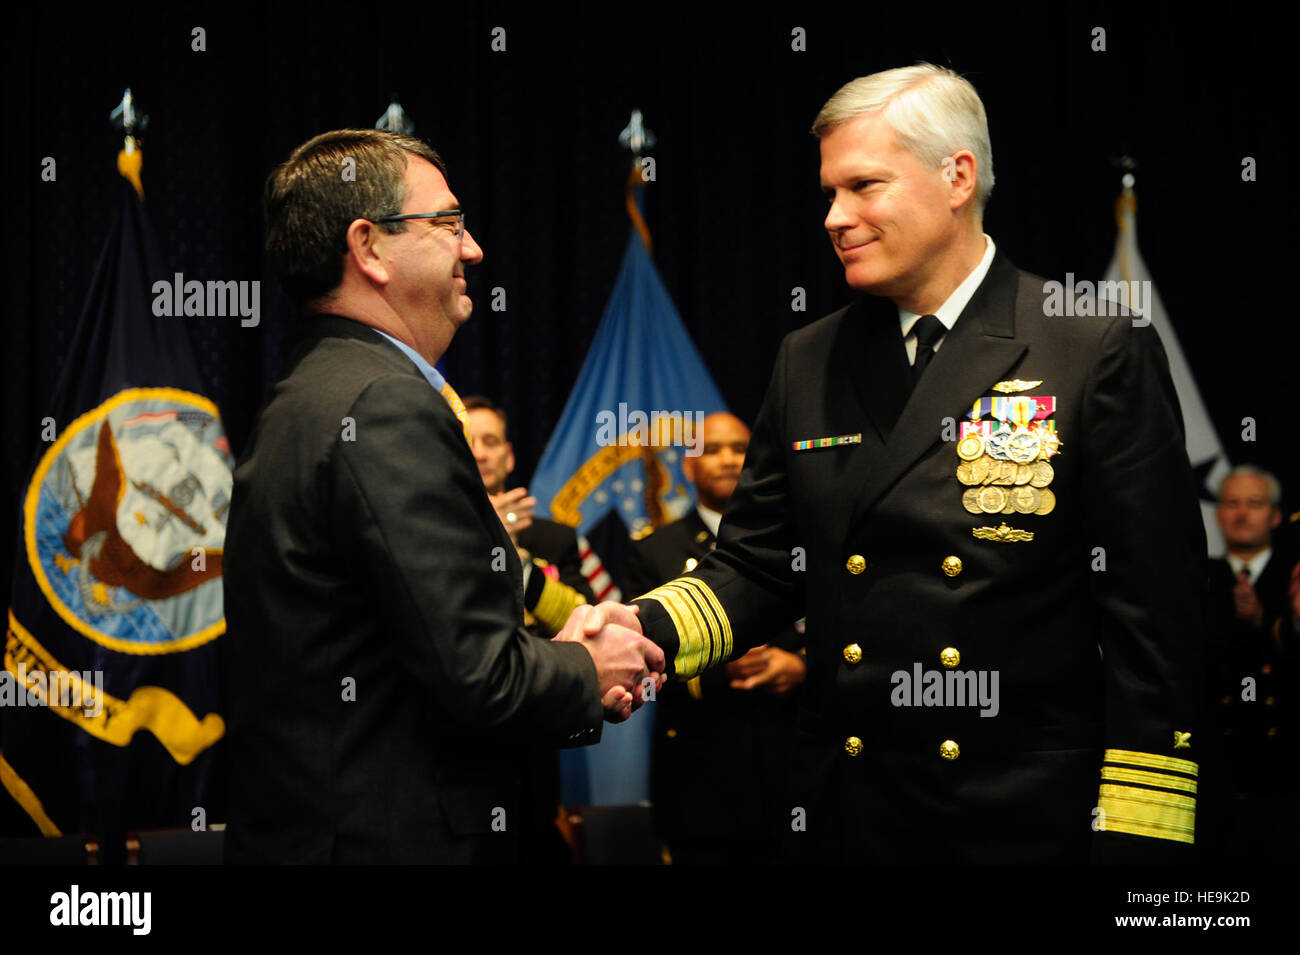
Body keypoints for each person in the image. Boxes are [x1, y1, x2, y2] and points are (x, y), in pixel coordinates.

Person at [625, 64, 1206, 863]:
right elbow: (758, 564)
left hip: (1023, 814)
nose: (835, 216)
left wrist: (1145, 835)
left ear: (956, 176)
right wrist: (638, 629)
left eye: (863, 186)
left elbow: (1158, 613)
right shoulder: (810, 356)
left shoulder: (1089, 342)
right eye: (829, 192)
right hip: (850, 809)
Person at [221, 129, 661, 863]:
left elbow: (413, 651)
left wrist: (559, 644)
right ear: (369, 248)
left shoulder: (315, 389)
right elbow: (480, 678)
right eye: (449, 224)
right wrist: (592, 666)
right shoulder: (385, 405)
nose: (474, 248)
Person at [625, 412, 813, 864]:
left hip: (796, 767)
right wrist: (716, 671)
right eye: (711, 450)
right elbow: (640, 666)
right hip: (701, 774)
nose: (728, 460)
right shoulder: (656, 549)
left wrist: (802, 666)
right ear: (687, 467)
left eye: (739, 449)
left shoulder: (806, 540)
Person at [1200, 465, 1295, 862]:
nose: (1241, 514)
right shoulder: (1196, 580)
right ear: (1217, 514)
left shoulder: (1292, 579)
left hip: (1287, 775)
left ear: (1274, 515)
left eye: (1254, 504)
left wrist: (1267, 623)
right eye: (1232, 503)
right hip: (1215, 772)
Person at [464, 396, 594, 635]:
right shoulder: (433, 532)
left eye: (490, 442)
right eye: (467, 442)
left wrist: (519, 562)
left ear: (509, 456)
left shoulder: (554, 538)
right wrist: (488, 536)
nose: (479, 454)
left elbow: (588, 623)